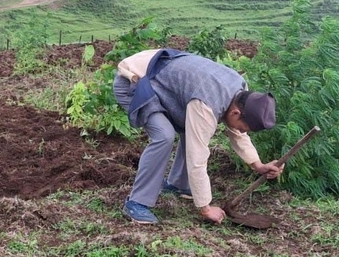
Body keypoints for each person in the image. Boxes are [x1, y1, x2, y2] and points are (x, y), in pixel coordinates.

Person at [112, 48, 284, 225]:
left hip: (160, 81)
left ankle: (177, 184)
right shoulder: (206, 104)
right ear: (236, 112)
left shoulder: (241, 92)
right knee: (164, 135)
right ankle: (137, 202)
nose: (242, 131)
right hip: (134, 81)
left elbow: (237, 133)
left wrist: (258, 165)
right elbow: (197, 158)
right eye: (244, 127)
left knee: (192, 128)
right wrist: (206, 208)